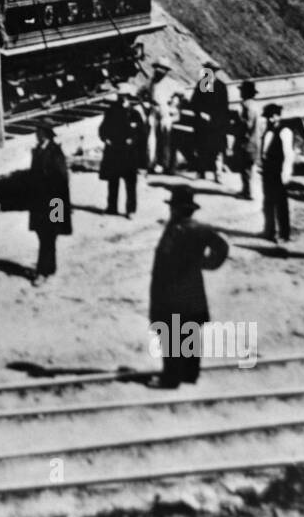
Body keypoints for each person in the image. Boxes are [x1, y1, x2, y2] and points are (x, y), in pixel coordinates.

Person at [149, 185, 229, 389]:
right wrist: (206, 263)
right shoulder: (201, 229)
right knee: (190, 332)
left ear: (175, 209)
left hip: (170, 292)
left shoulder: (174, 230)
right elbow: (221, 246)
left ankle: (171, 379)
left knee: (171, 336)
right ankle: (190, 375)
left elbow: (164, 260)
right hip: (193, 290)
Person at [28, 123, 72, 285]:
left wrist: (59, 209)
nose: (36, 134)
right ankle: (51, 267)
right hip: (40, 201)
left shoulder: (55, 152)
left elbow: (62, 179)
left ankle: (42, 272)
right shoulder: (38, 150)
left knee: (48, 235)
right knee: (44, 235)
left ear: (45, 134)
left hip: (54, 201)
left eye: (38, 131)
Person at [98, 85, 148, 217]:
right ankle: (111, 207)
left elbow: (142, 133)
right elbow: (102, 128)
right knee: (113, 182)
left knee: (130, 184)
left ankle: (130, 210)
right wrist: (105, 138)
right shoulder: (111, 111)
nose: (122, 99)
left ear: (129, 98)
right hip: (114, 151)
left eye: (125, 96)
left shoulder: (134, 113)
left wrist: (133, 140)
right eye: (120, 96)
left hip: (129, 154)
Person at [189, 60, 229, 182]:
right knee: (201, 147)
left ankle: (218, 174)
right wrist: (201, 113)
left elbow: (224, 107)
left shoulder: (221, 86)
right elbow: (195, 102)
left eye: (212, 71)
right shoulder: (203, 84)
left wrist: (215, 118)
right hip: (203, 123)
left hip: (217, 124)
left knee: (218, 149)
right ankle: (201, 172)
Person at [260, 103, 293, 244]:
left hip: (279, 172)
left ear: (278, 117)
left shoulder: (285, 131)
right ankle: (269, 230)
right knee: (268, 202)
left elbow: (288, 155)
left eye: (272, 117)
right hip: (268, 171)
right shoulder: (268, 131)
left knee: (281, 204)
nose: (269, 120)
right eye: (268, 117)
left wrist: (286, 173)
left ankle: (284, 233)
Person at [146, 62, 182, 174]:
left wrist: (174, 103)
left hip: (165, 110)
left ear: (166, 71)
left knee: (165, 139)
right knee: (151, 139)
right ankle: (151, 163)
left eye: (163, 69)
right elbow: (140, 93)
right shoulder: (150, 82)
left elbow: (181, 93)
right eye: (158, 68)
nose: (159, 71)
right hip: (153, 109)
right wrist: (145, 103)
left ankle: (164, 164)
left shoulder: (172, 83)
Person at [229, 80, 260, 199]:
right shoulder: (256, 105)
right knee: (248, 168)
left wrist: (236, 120)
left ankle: (246, 192)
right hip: (254, 141)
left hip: (246, 142)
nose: (240, 93)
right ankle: (246, 190)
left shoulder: (245, 105)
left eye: (242, 91)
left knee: (245, 168)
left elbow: (247, 124)